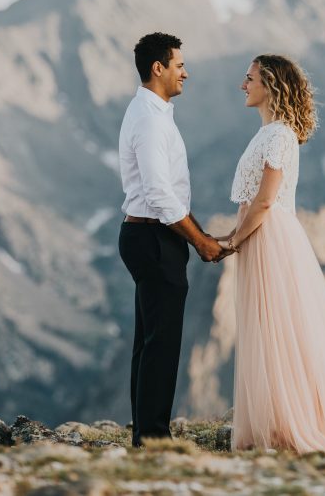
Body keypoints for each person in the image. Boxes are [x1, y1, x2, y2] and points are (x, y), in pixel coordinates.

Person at [216, 54, 325, 456]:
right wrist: (233, 235)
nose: (243, 85)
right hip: (261, 236)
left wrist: (233, 241)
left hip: (271, 238)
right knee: (267, 331)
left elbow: (267, 200)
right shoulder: (270, 133)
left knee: (280, 331)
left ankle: (293, 425)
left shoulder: (278, 136)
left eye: (249, 78)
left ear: (270, 85)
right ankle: (274, 423)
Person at [117, 31, 232, 448]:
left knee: (149, 342)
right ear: (158, 68)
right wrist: (200, 242)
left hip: (151, 233)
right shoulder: (149, 119)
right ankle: (153, 439)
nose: (187, 72)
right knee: (161, 343)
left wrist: (199, 231)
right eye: (180, 65)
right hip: (151, 236)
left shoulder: (156, 113)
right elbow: (158, 194)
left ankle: (145, 436)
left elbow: (170, 192)